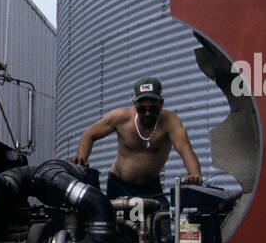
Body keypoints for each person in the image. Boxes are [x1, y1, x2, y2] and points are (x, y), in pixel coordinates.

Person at [71, 75, 202, 199]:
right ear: (135, 104)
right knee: (111, 220)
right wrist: (81, 163)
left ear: (161, 103)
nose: (147, 113)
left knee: (161, 220)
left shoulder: (170, 122)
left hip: (151, 187)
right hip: (119, 185)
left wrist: (194, 175)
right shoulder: (120, 117)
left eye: (153, 109)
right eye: (142, 109)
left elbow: (185, 149)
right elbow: (89, 135)